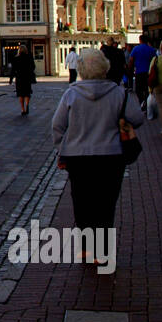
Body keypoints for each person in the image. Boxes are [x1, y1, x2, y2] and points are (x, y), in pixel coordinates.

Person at [51, 47, 145, 267]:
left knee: (82, 201)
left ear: (81, 69)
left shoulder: (71, 94)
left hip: (78, 157)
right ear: (105, 68)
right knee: (106, 202)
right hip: (111, 155)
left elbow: (57, 125)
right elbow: (137, 118)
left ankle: (85, 248)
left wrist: (61, 148)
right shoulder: (119, 93)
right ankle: (102, 251)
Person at [126, 34, 157, 110]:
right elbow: (155, 61)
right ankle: (146, 102)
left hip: (139, 72)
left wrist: (130, 70)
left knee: (138, 90)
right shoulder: (152, 50)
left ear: (140, 40)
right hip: (149, 73)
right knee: (147, 89)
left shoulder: (136, 49)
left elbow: (131, 60)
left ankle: (142, 102)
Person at [12, 46, 36, 115]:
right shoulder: (29, 58)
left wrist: (11, 79)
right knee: (27, 93)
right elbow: (33, 66)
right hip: (27, 77)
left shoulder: (16, 58)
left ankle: (23, 109)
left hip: (19, 78)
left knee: (21, 94)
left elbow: (13, 69)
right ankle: (27, 105)